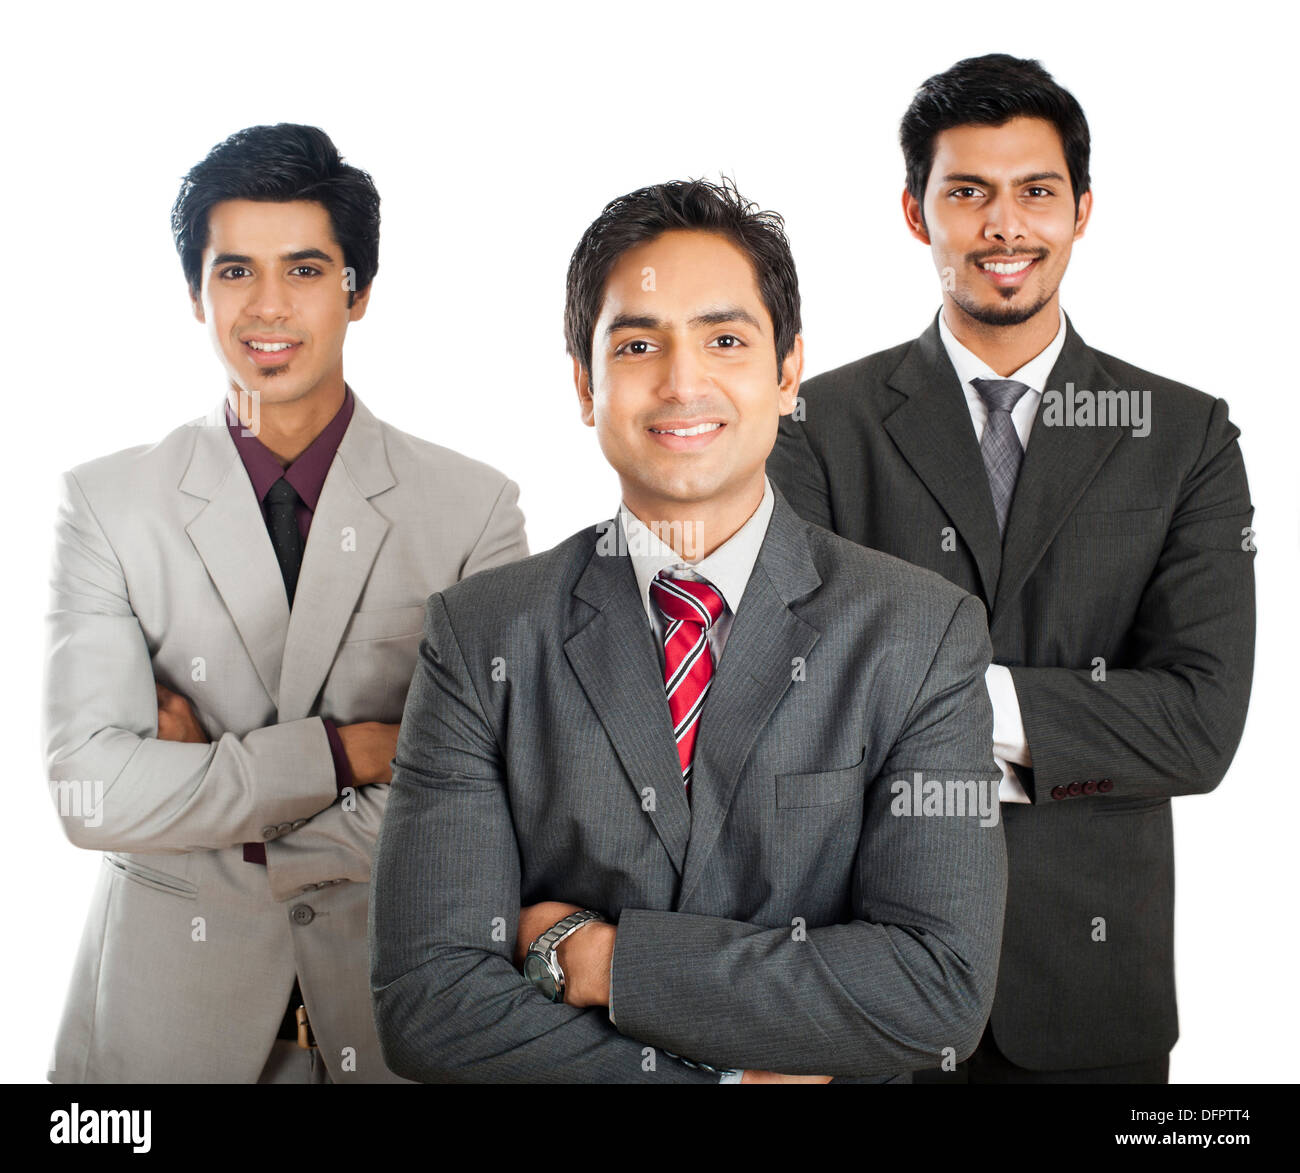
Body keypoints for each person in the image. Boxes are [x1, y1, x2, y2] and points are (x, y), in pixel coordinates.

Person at [370, 177, 1007, 1083]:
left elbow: (934, 991)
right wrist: (725, 1080)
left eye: (725, 339)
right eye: (638, 343)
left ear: (787, 375)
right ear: (587, 387)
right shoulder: (481, 638)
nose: (682, 381)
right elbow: (429, 1003)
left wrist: (600, 960)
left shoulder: (918, 633)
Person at [768, 55, 1255, 1083]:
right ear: (915, 213)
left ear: (1081, 210)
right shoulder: (816, 427)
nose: (1004, 226)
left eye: (1035, 192)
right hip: (867, 990)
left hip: (1090, 1005)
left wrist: (922, 703)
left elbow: (1199, 727)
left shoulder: (1184, 436)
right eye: (967, 193)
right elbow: (789, 700)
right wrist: (1060, 727)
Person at [43, 123, 528, 1083]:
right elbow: (89, 792)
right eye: (235, 272)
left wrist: (203, 794)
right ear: (195, 293)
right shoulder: (107, 503)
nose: (269, 306)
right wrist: (349, 753)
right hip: (161, 1029)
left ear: (359, 290)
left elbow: (488, 799)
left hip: (396, 1020)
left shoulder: (473, 509)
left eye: (305, 270)